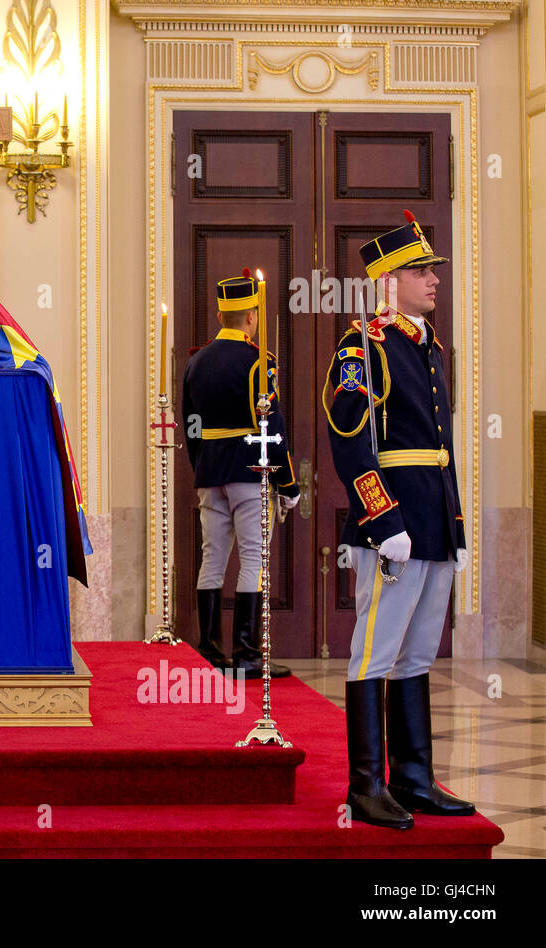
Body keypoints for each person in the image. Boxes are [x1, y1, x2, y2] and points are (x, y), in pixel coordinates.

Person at [323, 210, 474, 830]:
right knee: (374, 652)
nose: (434, 279)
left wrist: (456, 526)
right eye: (420, 270)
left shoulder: (428, 346)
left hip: (434, 522)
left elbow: (441, 444)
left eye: (433, 269)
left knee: (416, 656)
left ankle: (413, 778)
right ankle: (365, 786)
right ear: (389, 282)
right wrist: (382, 519)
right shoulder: (363, 347)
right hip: (395, 524)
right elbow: (348, 438)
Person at [182, 268, 300, 678]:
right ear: (252, 317)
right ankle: (248, 655)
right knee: (253, 559)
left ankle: (210, 653)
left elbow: (191, 423)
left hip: (209, 472)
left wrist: (202, 467)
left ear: (220, 316)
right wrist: (288, 483)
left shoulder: (196, 362)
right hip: (249, 470)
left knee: (212, 559)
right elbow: (273, 427)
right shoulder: (258, 362)